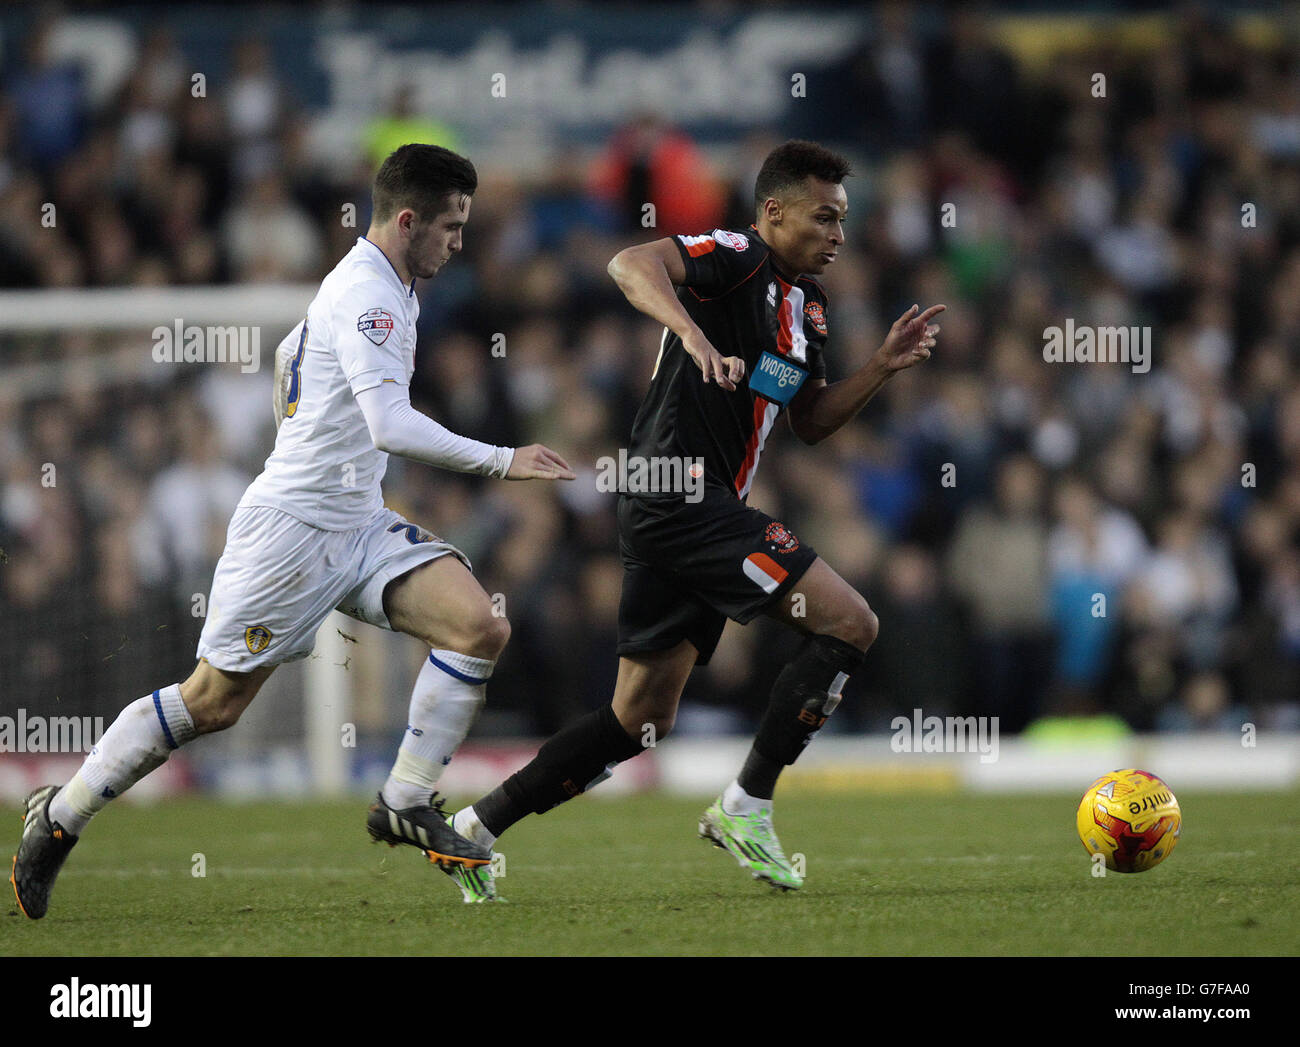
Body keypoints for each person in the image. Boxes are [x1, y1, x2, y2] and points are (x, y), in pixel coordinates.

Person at [10, 143, 575, 920]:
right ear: (408, 220)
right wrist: (503, 458)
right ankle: (60, 815)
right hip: (293, 533)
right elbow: (388, 423)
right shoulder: (370, 296)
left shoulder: (383, 284)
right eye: (450, 226)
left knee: (479, 625)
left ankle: (405, 799)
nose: (459, 243)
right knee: (212, 703)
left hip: (358, 522)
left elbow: (292, 362)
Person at [442, 140, 944, 900]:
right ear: (773, 211)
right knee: (852, 623)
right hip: (681, 496)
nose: (839, 233)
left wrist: (879, 367)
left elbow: (806, 418)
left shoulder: (806, 306)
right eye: (824, 217)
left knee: (637, 719)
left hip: (687, 509)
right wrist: (691, 332)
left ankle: (474, 828)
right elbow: (630, 264)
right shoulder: (737, 255)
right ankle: (747, 804)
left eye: (844, 219)